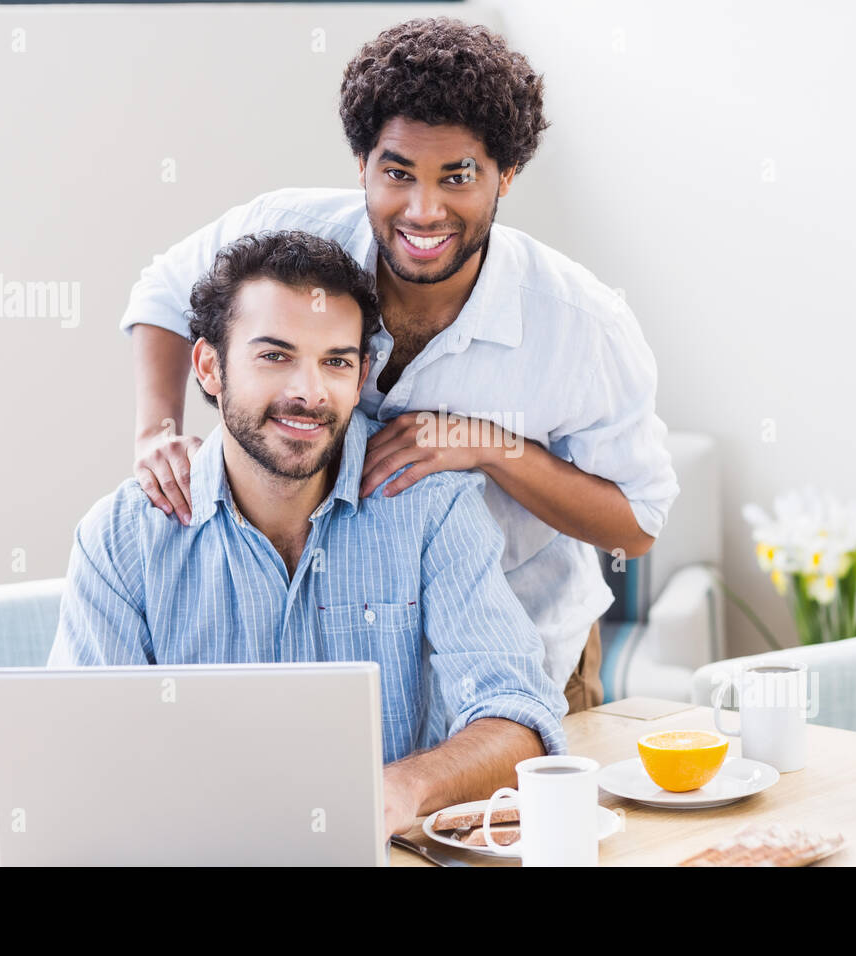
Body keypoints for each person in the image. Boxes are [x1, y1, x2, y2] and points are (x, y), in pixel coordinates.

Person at [126, 16, 679, 714]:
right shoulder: (292, 235)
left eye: (458, 176)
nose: (424, 209)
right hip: (352, 659)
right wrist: (155, 431)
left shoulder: (579, 324)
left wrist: (491, 449)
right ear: (361, 165)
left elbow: (636, 523)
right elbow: (164, 291)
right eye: (397, 173)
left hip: (521, 658)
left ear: (506, 176)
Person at [49, 230, 567, 837]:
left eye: (336, 362)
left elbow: (520, 719)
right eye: (274, 356)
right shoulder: (124, 537)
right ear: (210, 367)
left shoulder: (431, 508)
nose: (309, 393)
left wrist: (401, 788)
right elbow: (84, 759)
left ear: (361, 373)